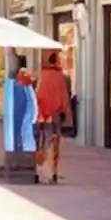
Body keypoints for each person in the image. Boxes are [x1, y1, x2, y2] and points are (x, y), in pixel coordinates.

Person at [35, 52, 70, 184]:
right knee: (55, 142)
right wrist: (66, 113)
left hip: (43, 114)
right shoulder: (60, 77)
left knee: (43, 141)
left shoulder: (43, 75)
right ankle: (53, 171)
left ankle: (42, 169)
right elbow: (64, 96)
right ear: (56, 61)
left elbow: (38, 95)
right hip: (56, 115)